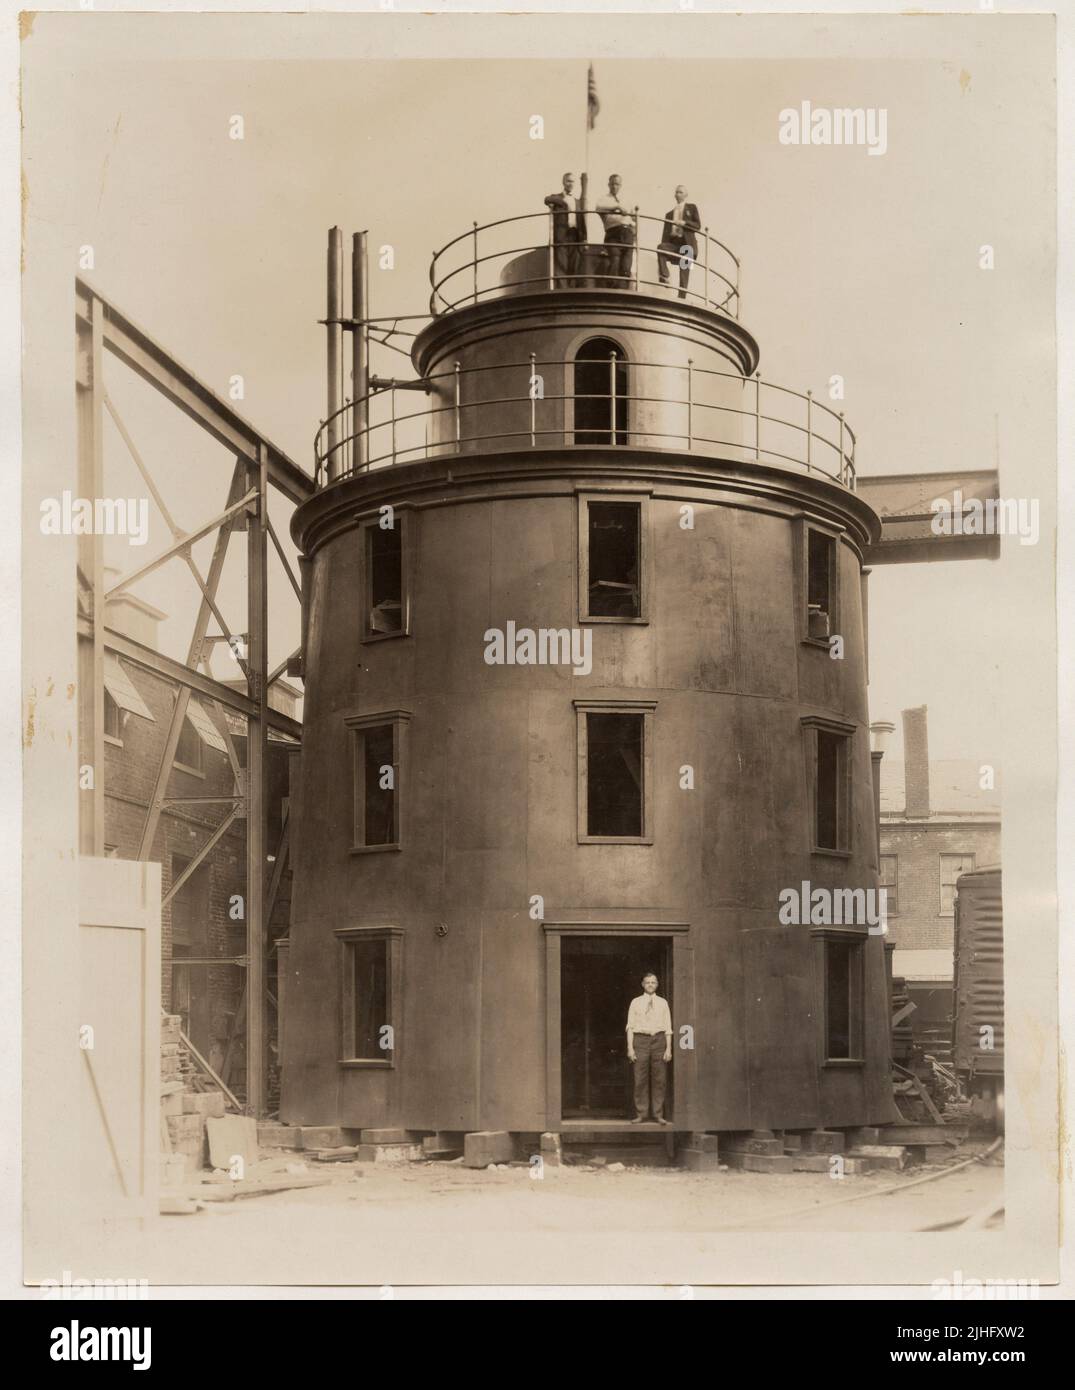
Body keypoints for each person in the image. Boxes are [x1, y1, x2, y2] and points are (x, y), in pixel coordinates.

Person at [626, 972, 672, 1123]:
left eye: (653, 982)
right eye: (647, 982)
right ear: (643, 984)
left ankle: (658, 1114)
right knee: (640, 1078)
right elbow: (630, 1027)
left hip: (659, 1040)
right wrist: (630, 1048)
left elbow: (668, 1028)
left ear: (657, 984)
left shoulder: (663, 1003)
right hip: (640, 1041)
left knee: (659, 1078)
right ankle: (641, 1113)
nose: (650, 985)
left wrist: (668, 1049)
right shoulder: (635, 1002)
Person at [658, 185, 702, 299]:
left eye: (680, 192)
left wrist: (684, 223)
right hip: (675, 245)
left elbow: (698, 225)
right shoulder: (669, 214)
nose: (677, 194)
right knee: (661, 247)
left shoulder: (691, 208)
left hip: (687, 246)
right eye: (676, 192)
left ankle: (681, 297)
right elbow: (665, 235)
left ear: (685, 195)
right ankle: (664, 275)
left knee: (684, 271)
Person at [544, 172, 585, 288]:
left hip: (574, 234)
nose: (570, 184)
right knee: (561, 263)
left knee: (574, 263)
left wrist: (584, 238)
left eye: (572, 181)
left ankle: (571, 288)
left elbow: (581, 220)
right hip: (561, 235)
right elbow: (547, 199)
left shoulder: (577, 202)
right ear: (563, 182)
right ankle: (563, 288)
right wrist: (564, 203)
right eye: (568, 181)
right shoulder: (557, 197)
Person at [595, 174, 635, 287]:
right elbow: (598, 208)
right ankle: (612, 288)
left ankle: (623, 290)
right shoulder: (604, 199)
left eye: (617, 184)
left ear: (620, 185)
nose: (614, 186)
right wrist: (615, 207)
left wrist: (633, 228)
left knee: (626, 265)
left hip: (627, 233)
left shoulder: (627, 199)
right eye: (612, 184)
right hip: (613, 232)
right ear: (608, 184)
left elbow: (633, 216)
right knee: (615, 260)